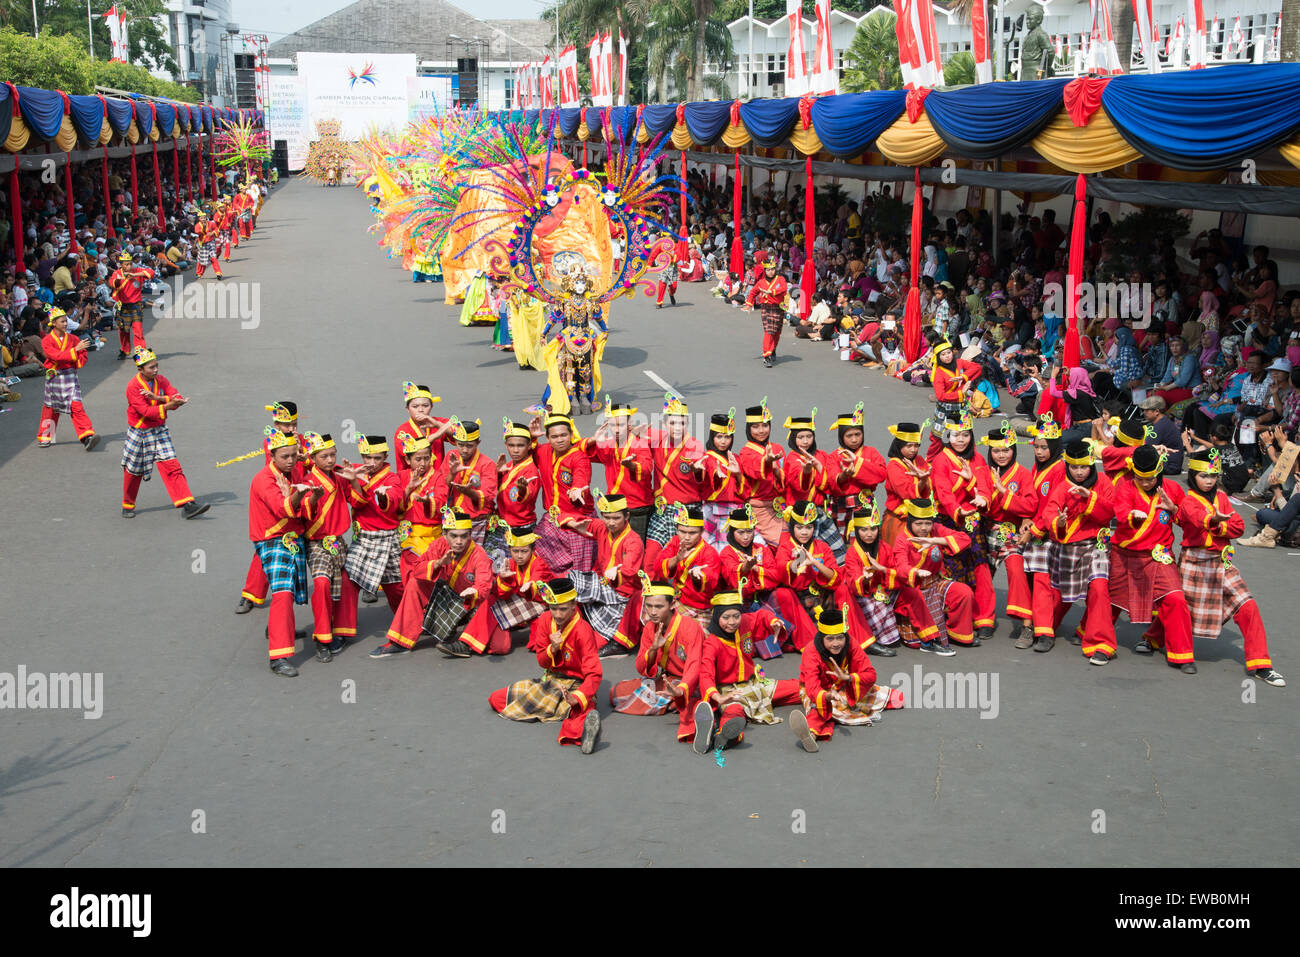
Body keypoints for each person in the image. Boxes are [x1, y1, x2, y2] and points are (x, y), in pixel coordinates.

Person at [1173, 450, 1284, 686]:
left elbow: (1238, 526)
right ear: (1193, 476)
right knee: (1179, 610)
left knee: (1248, 605)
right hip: (1194, 562)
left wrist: (1217, 526)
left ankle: (1261, 664)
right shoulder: (1188, 500)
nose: (1210, 480)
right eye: (1204, 475)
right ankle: (1153, 638)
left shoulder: (1222, 497)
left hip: (1222, 562)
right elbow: (1195, 518)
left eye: (1213, 475)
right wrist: (1215, 521)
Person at [1024, 440, 1117, 663]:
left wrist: (1090, 498)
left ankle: (1101, 642)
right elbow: (1049, 512)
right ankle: (1045, 631)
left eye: (1083, 467)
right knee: (1048, 586)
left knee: (1099, 589)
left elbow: (1110, 512)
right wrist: (1059, 521)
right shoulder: (1063, 486)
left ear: (1091, 466)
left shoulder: (1103, 482)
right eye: (1074, 467)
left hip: (1093, 546)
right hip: (1064, 544)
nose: (1078, 472)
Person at [487, 578, 603, 753]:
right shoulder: (545, 620)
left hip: (577, 683)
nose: (558, 614)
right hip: (552, 680)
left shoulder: (583, 630)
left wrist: (577, 697)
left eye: (563, 609)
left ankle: (583, 728)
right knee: (497, 698)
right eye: (553, 608)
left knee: (579, 709)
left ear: (573, 605)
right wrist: (553, 648)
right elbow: (542, 661)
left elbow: (594, 674)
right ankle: (561, 709)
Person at [1108, 446, 1196, 674]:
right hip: (1127, 554)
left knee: (1175, 599)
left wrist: (1174, 509)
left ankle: (1182, 654)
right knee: (1110, 602)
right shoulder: (1124, 486)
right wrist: (1131, 515)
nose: (1146, 483)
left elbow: (1186, 519)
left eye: (1150, 479)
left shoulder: (1173, 489)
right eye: (1140, 478)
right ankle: (1097, 639)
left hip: (1159, 555)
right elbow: (1121, 510)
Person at [372, 507, 493, 658]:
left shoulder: (478, 554)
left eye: (464, 536)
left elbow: (484, 584)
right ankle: (400, 641)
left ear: (470, 535)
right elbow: (417, 568)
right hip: (447, 599)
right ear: (445, 534)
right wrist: (438, 563)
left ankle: (465, 642)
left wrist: (475, 591)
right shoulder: (439, 545)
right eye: (454, 536)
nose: (459, 541)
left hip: (470, 603)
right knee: (414, 584)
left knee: (498, 645)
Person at [694, 588, 799, 754]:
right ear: (716, 617)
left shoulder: (744, 623)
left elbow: (760, 616)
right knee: (734, 712)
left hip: (754, 683)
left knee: (799, 688)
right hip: (730, 691)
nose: (732, 622)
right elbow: (705, 675)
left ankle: (822, 705)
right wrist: (719, 697)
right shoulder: (712, 643)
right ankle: (725, 737)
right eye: (725, 617)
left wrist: (773, 622)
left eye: (736, 616)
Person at [609, 579, 705, 743]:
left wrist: (681, 690)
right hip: (668, 679)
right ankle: (675, 702)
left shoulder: (690, 627)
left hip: (692, 680)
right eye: (648, 605)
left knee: (669, 696)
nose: (652, 612)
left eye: (659, 607)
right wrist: (653, 649)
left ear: (672, 604)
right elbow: (641, 668)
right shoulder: (649, 628)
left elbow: (695, 665)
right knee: (616, 692)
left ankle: (689, 706)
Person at [249, 431, 313, 677]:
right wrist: (301, 493)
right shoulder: (263, 480)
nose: (290, 460)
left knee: (288, 591)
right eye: (284, 456)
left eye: (294, 455)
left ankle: (279, 629)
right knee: (284, 592)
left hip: (292, 537)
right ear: (271, 456)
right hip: (272, 540)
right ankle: (279, 656)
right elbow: (282, 507)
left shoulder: (294, 472)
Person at [929, 412, 996, 642]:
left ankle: (984, 617)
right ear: (948, 435)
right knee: (952, 569)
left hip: (973, 520)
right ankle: (957, 618)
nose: (960, 440)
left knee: (980, 568)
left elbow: (985, 486)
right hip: (949, 520)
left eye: (965, 435)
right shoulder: (941, 460)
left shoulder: (977, 458)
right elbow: (943, 492)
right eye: (956, 435)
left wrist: (982, 498)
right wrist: (958, 510)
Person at [120, 347, 208, 519]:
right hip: (140, 432)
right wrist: (169, 404)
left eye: (156, 366)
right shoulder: (133, 387)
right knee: (133, 471)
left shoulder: (161, 380)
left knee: (172, 465)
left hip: (159, 430)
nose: (156, 370)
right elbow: (146, 412)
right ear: (140, 369)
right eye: (151, 367)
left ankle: (188, 504)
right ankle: (127, 504)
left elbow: (175, 395)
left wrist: (159, 398)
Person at [237, 402, 306, 613]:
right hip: (278, 495)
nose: (291, 428)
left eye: (294, 424)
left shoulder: (301, 440)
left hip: (299, 493)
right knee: (267, 546)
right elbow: (276, 467)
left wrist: (304, 455)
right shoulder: (273, 442)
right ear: (276, 423)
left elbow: (312, 464)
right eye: (286, 425)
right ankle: (251, 594)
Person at [299, 432, 363, 660]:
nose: (329, 460)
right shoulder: (307, 481)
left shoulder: (339, 476)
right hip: (316, 542)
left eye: (332, 455)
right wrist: (314, 498)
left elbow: (356, 500)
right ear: (313, 458)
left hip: (337, 540)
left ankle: (342, 628)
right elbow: (303, 511)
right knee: (322, 583)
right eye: (324, 456)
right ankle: (322, 637)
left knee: (346, 582)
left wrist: (353, 479)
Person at [791, 606, 887, 752]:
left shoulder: (851, 643)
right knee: (817, 708)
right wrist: (827, 696)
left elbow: (870, 674)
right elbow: (812, 687)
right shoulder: (810, 651)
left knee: (892, 696)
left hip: (843, 684)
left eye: (840, 637)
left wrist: (848, 678)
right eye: (830, 638)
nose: (836, 643)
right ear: (822, 637)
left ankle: (839, 708)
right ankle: (810, 734)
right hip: (818, 691)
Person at [886, 498, 972, 653]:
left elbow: (965, 539)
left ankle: (958, 634)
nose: (924, 528)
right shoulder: (902, 540)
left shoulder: (935, 530)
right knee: (916, 641)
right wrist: (916, 572)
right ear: (910, 522)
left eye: (927, 523)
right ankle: (932, 637)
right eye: (918, 524)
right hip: (914, 589)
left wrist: (935, 540)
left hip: (935, 582)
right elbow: (901, 567)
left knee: (963, 593)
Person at [454, 526, 553, 657]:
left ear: (533, 550)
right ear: (510, 550)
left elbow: (538, 580)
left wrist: (531, 586)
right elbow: (500, 594)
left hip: (539, 608)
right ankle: (469, 642)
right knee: (500, 648)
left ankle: (471, 642)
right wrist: (504, 579)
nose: (519, 556)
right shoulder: (510, 563)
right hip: (516, 605)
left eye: (524, 551)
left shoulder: (539, 564)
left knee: (540, 645)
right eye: (515, 551)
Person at [980, 424, 1037, 643]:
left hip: (1012, 532)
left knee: (1016, 569)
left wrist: (1005, 494)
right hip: (987, 530)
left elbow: (1030, 506)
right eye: (996, 451)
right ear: (990, 452)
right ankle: (983, 620)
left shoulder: (1022, 474)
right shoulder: (983, 472)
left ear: (1014, 449)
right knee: (983, 575)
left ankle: (1027, 625)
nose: (1001, 455)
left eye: (1006, 450)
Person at [570, 492, 645, 656]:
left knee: (593, 645)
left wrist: (618, 572)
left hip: (622, 596)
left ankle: (619, 642)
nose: (611, 522)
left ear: (627, 516)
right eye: (607, 517)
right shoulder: (601, 527)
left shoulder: (633, 541)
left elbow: (629, 569)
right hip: (604, 587)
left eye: (616, 518)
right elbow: (575, 518)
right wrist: (572, 524)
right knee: (569, 582)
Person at [341, 434, 405, 613]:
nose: (372, 462)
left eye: (377, 458)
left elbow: (394, 499)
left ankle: (407, 622)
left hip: (387, 537)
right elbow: (354, 501)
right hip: (363, 538)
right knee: (348, 580)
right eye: (368, 457)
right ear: (362, 456)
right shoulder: (355, 471)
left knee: (396, 588)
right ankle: (342, 631)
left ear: (385, 457)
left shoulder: (392, 479)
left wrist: (383, 496)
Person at [527, 412, 596, 576]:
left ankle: (580, 599)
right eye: (555, 436)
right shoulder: (543, 451)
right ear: (548, 439)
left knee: (581, 570)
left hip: (577, 519)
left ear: (571, 435)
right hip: (553, 519)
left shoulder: (579, 457)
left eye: (564, 435)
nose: (560, 439)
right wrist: (532, 439)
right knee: (535, 550)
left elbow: (581, 476)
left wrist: (577, 489)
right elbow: (528, 451)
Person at [580, 402, 653, 540]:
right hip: (614, 506)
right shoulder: (608, 443)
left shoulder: (639, 443)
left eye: (621, 425)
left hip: (637, 507)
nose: (617, 430)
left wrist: (631, 465)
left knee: (636, 547)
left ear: (629, 424)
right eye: (613, 425)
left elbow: (647, 467)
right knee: (615, 546)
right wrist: (594, 440)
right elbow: (582, 452)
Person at [782, 412, 846, 560]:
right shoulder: (792, 458)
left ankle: (834, 576)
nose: (805, 441)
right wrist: (806, 472)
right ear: (793, 438)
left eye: (809, 436)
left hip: (820, 512)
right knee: (805, 551)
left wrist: (818, 467)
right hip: (800, 514)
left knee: (835, 549)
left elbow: (830, 484)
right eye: (800, 437)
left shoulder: (822, 455)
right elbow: (800, 488)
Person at [650, 502, 721, 629]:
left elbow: (711, 579)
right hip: (678, 601)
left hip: (701, 608)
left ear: (702, 531)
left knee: (698, 637)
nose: (687, 537)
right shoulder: (675, 542)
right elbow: (658, 566)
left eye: (692, 533)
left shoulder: (710, 553)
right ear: (676, 529)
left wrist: (697, 577)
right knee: (654, 624)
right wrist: (677, 559)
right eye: (682, 531)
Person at [37, 307, 98, 450]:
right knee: (51, 408)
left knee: (76, 405)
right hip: (54, 377)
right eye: (62, 321)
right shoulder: (47, 341)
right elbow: (55, 356)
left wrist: (78, 356)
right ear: (54, 323)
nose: (65, 324)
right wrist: (74, 351)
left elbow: (83, 355)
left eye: (66, 321)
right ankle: (46, 436)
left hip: (70, 375)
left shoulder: (73, 338)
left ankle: (86, 436)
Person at [433, 418, 498, 544]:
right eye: (460, 445)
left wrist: (469, 492)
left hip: (476, 520)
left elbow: (488, 496)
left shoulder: (487, 464)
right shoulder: (451, 456)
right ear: (455, 442)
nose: (464, 450)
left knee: (473, 558)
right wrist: (452, 474)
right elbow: (440, 487)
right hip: (453, 519)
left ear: (478, 442)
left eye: (469, 446)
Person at [827, 404, 887, 538]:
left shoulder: (871, 452)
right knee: (843, 541)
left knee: (867, 540)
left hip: (865, 504)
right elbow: (831, 482)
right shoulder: (834, 456)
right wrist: (843, 476)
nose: (854, 439)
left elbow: (881, 474)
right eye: (849, 435)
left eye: (858, 434)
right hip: (841, 506)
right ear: (841, 436)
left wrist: (858, 462)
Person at [735, 399, 788, 544]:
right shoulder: (746, 452)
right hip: (760, 508)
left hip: (780, 505)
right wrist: (767, 462)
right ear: (749, 429)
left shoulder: (777, 448)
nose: (761, 430)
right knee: (782, 542)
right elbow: (754, 469)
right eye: (756, 427)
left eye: (765, 425)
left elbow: (785, 478)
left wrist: (777, 471)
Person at [697, 410, 748, 547]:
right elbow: (701, 483)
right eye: (719, 437)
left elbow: (744, 491)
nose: (723, 441)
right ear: (712, 437)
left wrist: (737, 474)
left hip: (734, 510)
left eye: (727, 437)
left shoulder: (736, 458)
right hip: (711, 509)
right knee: (708, 547)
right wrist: (714, 475)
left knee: (730, 548)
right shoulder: (706, 457)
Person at [882, 422, 932, 548]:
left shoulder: (919, 460)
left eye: (916, 445)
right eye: (909, 446)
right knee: (898, 553)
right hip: (899, 520)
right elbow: (904, 492)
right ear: (899, 446)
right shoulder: (894, 466)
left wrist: (925, 480)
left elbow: (928, 488)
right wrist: (922, 481)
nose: (913, 449)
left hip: (920, 517)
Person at [394, 382, 451, 471]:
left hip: (437, 479)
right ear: (407, 409)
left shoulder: (437, 422)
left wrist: (437, 424)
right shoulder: (402, 432)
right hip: (411, 480)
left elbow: (460, 434)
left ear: (431, 406)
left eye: (425, 406)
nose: (420, 410)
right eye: (415, 406)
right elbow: (414, 454)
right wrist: (435, 436)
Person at [743, 259, 788, 367]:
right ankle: (766, 355)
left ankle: (773, 349)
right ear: (765, 271)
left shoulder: (780, 279)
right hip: (766, 308)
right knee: (769, 331)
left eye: (773, 269)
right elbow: (753, 292)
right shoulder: (761, 282)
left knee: (777, 332)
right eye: (768, 270)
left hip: (778, 308)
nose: (771, 272)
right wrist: (749, 304)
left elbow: (784, 289)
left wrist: (771, 292)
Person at [108, 252, 152, 359]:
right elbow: (112, 282)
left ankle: (140, 352)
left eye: (130, 264)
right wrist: (120, 279)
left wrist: (134, 275)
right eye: (126, 264)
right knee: (123, 330)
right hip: (122, 306)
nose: (128, 266)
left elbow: (151, 272)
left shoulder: (137, 271)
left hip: (136, 305)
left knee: (138, 330)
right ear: (121, 265)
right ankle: (124, 350)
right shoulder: (117, 273)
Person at [192, 209, 223, 279]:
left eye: (204, 217)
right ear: (199, 219)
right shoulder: (197, 225)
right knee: (202, 260)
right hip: (203, 244)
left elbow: (216, 229)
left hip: (211, 242)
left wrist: (212, 233)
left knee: (213, 257)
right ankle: (199, 273)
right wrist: (203, 228)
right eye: (201, 218)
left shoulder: (211, 223)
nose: (203, 219)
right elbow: (197, 231)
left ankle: (218, 273)